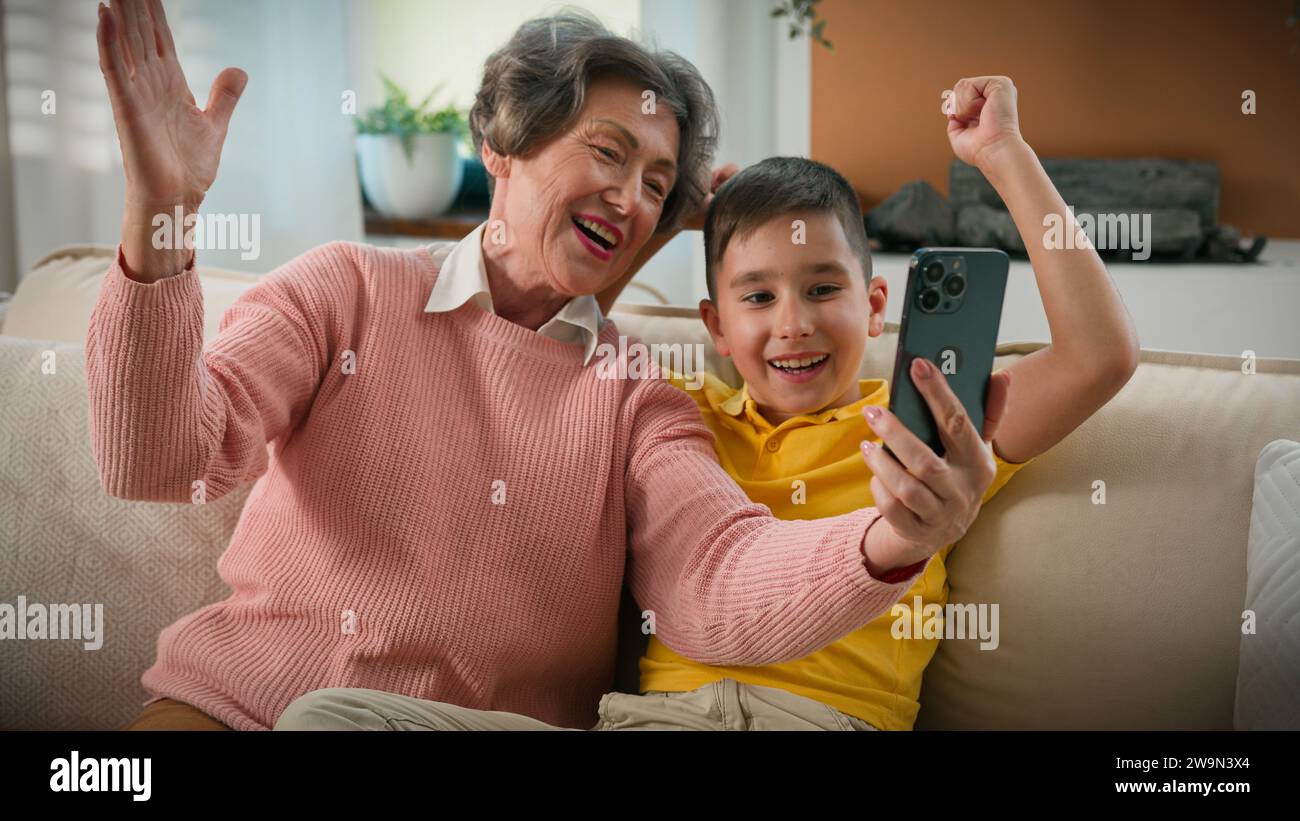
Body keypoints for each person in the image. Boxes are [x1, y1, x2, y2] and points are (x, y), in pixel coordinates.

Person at [95, 0, 1006, 732]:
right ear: (500, 143)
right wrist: (160, 213)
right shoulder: (346, 289)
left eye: (657, 183)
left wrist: (891, 539)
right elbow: (161, 463)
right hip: (222, 710)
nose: (631, 196)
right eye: (607, 152)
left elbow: (714, 580)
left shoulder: (636, 394)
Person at [275, 80, 1137, 731]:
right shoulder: (669, 413)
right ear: (714, 325)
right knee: (328, 718)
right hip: (648, 721)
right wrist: (661, 209)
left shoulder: (930, 420)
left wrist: (1005, 157)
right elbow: (561, 325)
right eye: (756, 298)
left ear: (876, 306)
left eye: (823, 287)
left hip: (826, 722)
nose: (792, 323)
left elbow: (1100, 357)